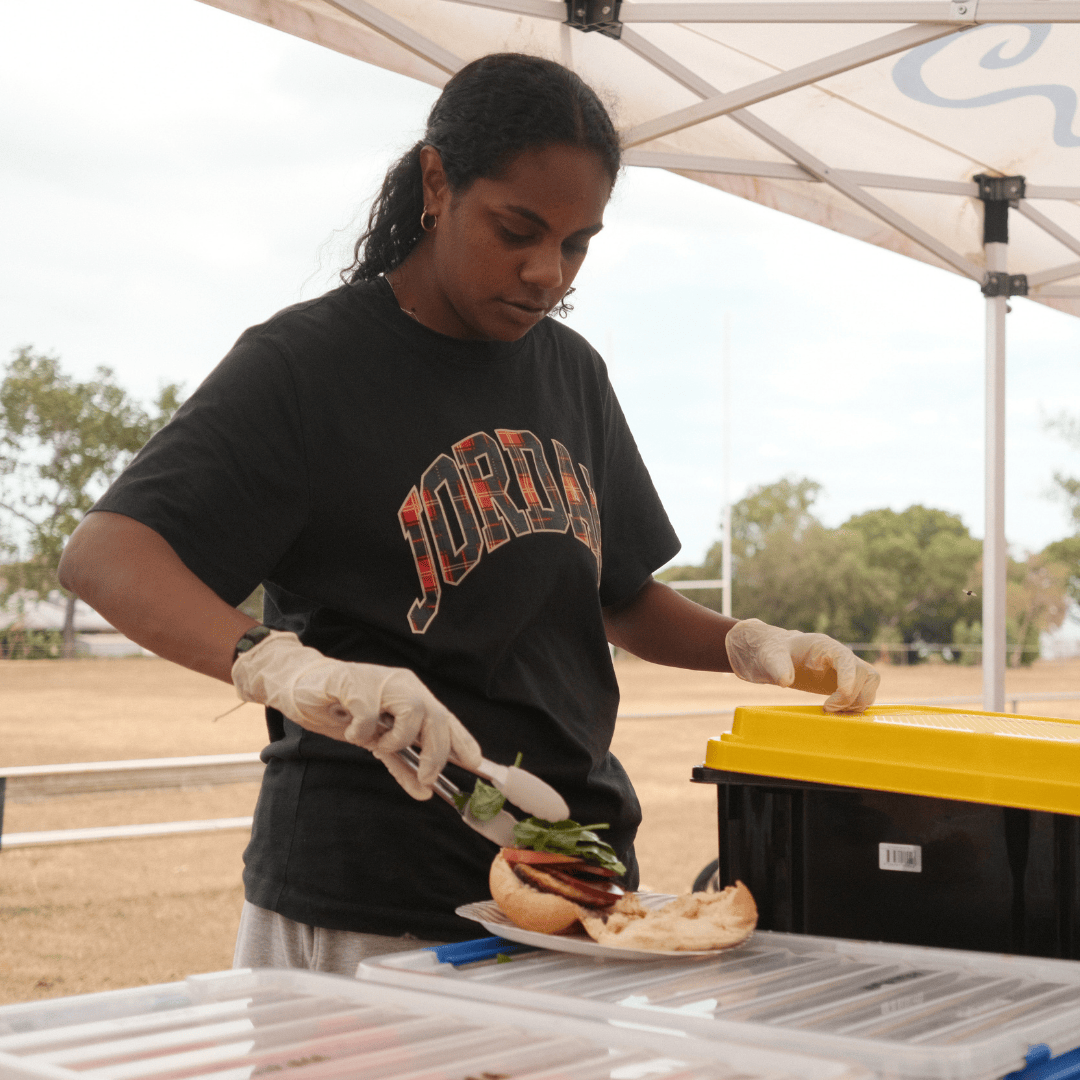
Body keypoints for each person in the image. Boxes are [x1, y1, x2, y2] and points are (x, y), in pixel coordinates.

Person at [58, 53, 878, 975]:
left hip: (570, 891)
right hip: (372, 901)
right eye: (517, 230)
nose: (546, 273)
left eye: (577, 244)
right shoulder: (310, 364)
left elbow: (619, 597)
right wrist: (281, 666)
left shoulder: (572, 373)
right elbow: (106, 554)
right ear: (438, 183)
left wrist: (749, 644)